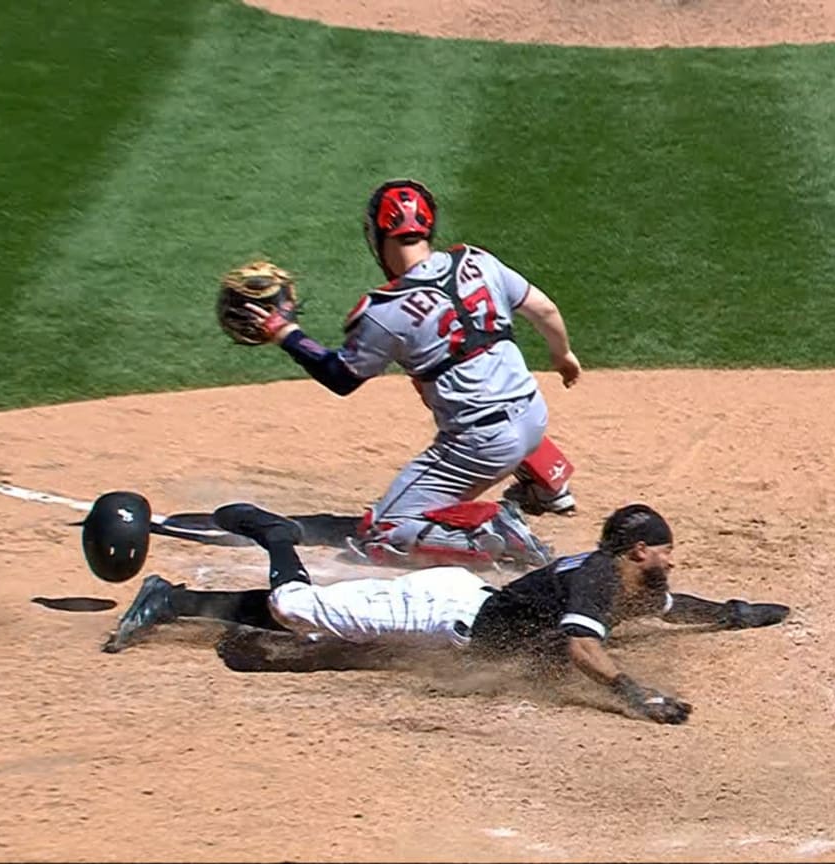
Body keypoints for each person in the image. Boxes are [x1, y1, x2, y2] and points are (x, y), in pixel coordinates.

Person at [100, 503, 790, 725]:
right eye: (666, 550)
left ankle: (174, 602)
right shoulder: (596, 583)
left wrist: (731, 614)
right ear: (640, 550)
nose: (673, 559)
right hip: (436, 612)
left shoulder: (621, 578)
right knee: (291, 606)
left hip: (463, 613)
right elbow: (584, 649)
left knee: (305, 626)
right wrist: (638, 696)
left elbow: (667, 608)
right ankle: (276, 536)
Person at [240, 178, 580, 572]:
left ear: (378, 233)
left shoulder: (384, 311)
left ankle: (498, 533)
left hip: (481, 446)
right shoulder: (477, 260)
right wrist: (564, 355)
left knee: (381, 533)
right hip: (535, 417)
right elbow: (545, 310)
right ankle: (548, 483)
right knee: (459, 373)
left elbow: (341, 377)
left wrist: (285, 333)